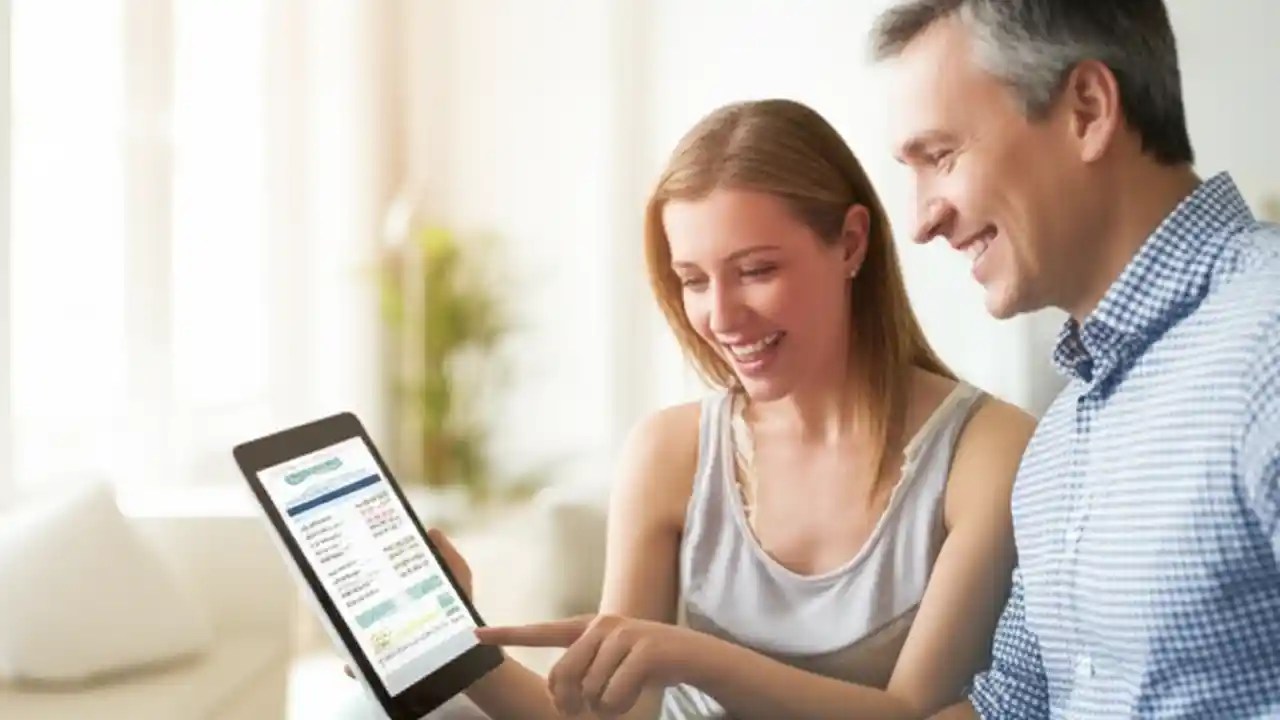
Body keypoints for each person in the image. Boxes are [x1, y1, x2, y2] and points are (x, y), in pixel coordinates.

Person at [378, 98, 1035, 720]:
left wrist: (691, 657)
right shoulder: (670, 451)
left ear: (852, 243)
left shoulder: (989, 451)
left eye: (755, 271)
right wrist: (459, 654)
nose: (720, 319)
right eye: (693, 280)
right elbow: (615, 717)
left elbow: (910, 714)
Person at [868, 1, 1280, 718]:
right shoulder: (1061, 442)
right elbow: (1012, 708)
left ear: (1088, 110)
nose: (921, 220)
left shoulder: (1267, 343)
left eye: (942, 158)